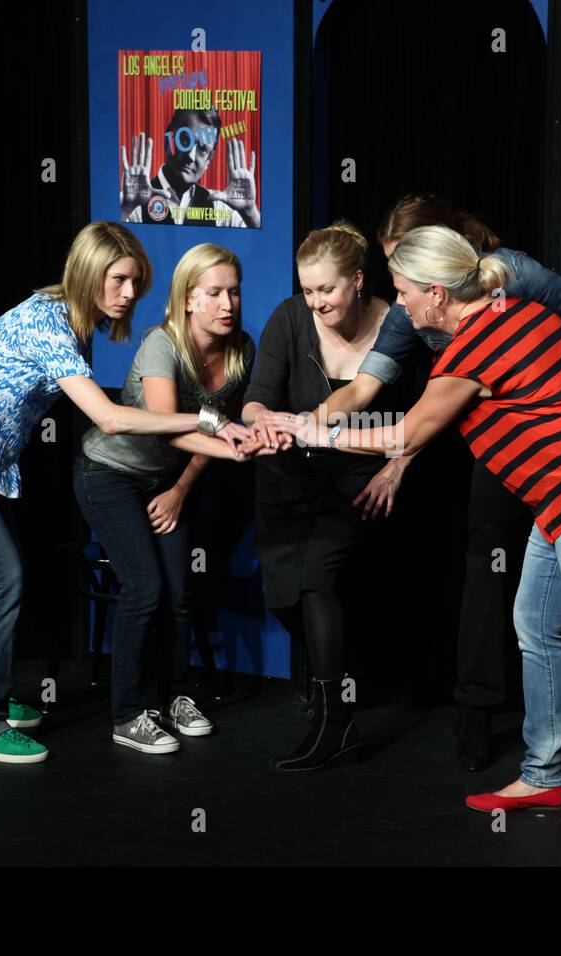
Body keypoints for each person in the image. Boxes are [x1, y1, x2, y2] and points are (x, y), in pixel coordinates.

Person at [280, 225, 561, 844]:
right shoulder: (517, 313)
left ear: (437, 294)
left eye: (405, 291)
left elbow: (404, 436)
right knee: (537, 628)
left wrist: (316, 433)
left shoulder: (478, 343)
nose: (403, 304)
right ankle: (542, 771)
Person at [0, 221, 253, 765]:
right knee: (2, 575)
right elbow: (109, 419)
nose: (130, 294)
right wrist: (210, 420)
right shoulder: (51, 322)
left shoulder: (74, 323)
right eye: (119, 279)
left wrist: (232, 441)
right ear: (89, 273)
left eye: (136, 281)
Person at [297, 194, 561, 771]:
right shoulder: (412, 311)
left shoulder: (514, 279)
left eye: (407, 275)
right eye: (396, 271)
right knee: (487, 561)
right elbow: (369, 393)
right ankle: (478, 712)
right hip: (496, 443)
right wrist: (304, 423)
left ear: (444, 274)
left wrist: (557, 403)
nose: (397, 291)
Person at [242, 221, 417, 773]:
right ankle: (330, 689)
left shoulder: (397, 323)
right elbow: (255, 401)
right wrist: (265, 422)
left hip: (354, 477)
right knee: (284, 595)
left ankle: (336, 720)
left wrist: (396, 467)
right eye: (309, 289)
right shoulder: (290, 318)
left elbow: (424, 417)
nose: (316, 302)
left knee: (319, 578)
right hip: (287, 475)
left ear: (358, 280)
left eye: (328, 290)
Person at [75, 244, 258, 755]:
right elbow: (169, 431)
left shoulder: (240, 349)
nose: (228, 303)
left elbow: (207, 440)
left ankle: (175, 696)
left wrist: (179, 489)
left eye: (234, 291)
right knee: (145, 587)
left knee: (178, 593)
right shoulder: (163, 344)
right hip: (108, 473)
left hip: (165, 482)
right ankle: (129, 714)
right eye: (215, 293)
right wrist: (233, 446)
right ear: (188, 298)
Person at [120, 111, 260, 228]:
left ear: (209, 159)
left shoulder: (220, 207)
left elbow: (261, 247)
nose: (191, 156)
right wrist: (126, 208)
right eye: (185, 140)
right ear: (168, 141)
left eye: (203, 149)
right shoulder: (130, 201)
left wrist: (250, 212)